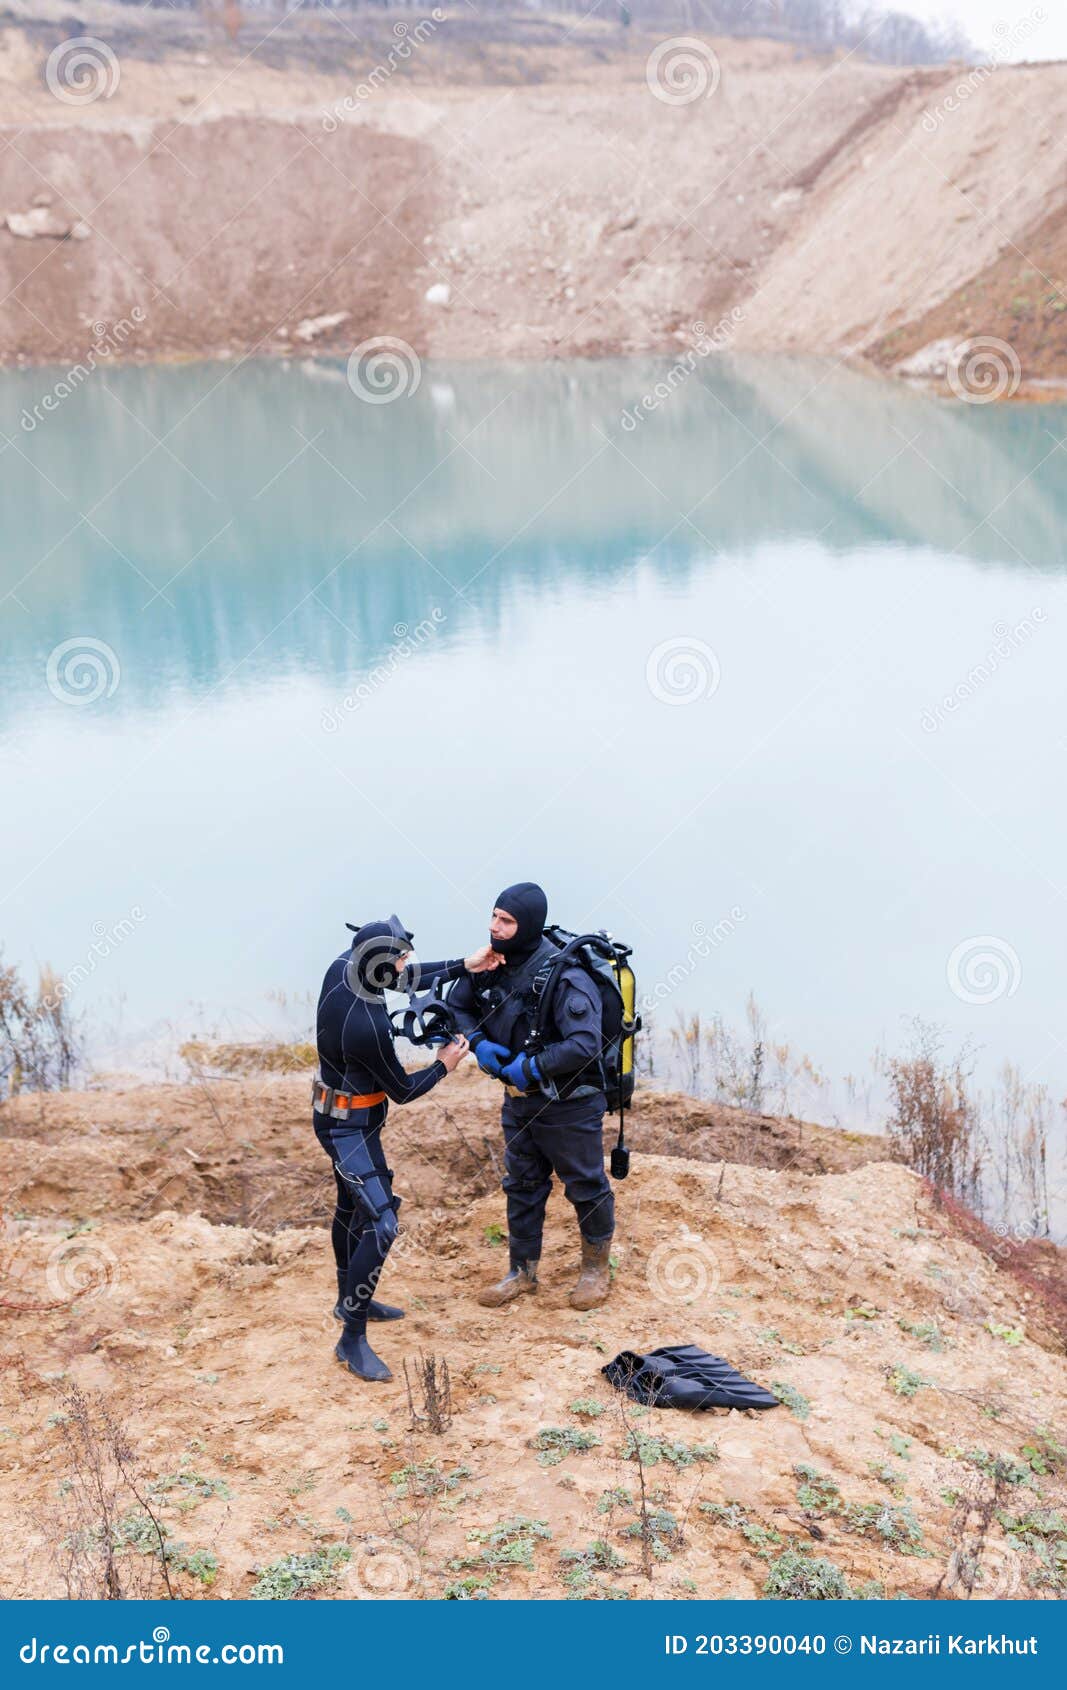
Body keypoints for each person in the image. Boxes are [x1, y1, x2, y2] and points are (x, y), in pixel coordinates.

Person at [314, 914, 497, 1382]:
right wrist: (444, 1065)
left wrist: (463, 964)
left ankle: (349, 1301)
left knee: (350, 1208)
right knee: (382, 1225)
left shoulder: (344, 966)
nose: (406, 963)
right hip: (348, 1130)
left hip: (339, 1114)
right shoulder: (367, 1025)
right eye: (400, 957)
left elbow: (402, 979)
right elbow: (403, 1090)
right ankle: (351, 1338)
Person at [449, 883, 615, 1311]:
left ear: (528, 925)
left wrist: (534, 1066)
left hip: (569, 1104)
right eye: (493, 916)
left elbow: (585, 1043)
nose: (495, 927)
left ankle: (595, 1271)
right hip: (519, 1101)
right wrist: (478, 1042)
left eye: (506, 921)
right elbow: (457, 1006)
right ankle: (521, 1273)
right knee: (522, 1185)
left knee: (585, 1185)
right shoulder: (491, 964)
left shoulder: (566, 976)